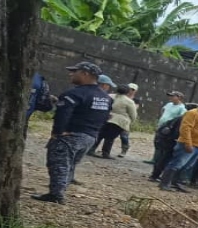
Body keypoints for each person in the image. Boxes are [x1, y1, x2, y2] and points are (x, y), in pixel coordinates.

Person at [32, 61, 112, 204]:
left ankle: (56, 195)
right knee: (70, 164)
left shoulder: (74, 94)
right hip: (90, 136)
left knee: (59, 164)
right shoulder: (105, 97)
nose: (71, 74)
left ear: (85, 74)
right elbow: (105, 117)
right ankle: (60, 190)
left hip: (71, 135)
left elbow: (63, 114)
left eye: (74, 71)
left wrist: (58, 133)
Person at [157, 97, 198, 192]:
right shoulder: (193, 113)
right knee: (177, 163)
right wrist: (188, 143)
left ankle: (175, 182)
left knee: (186, 165)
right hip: (189, 144)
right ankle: (165, 183)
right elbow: (185, 129)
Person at [88, 84, 137, 158]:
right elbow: (133, 114)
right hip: (119, 121)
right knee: (110, 137)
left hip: (106, 118)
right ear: (127, 92)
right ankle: (105, 153)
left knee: (100, 134)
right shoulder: (129, 101)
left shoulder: (109, 96)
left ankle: (91, 149)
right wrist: (131, 121)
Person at [145, 91, 187, 164]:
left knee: (163, 144)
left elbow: (181, 119)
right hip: (161, 125)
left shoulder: (181, 108)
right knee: (157, 142)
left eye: (173, 96)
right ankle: (155, 159)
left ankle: (159, 160)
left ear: (179, 98)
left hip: (169, 129)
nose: (171, 97)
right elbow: (163, 110)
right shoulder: (169, 104)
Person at [117, 83, 140, 157]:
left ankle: (124, 149)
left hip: (127, 120)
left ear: (135, 91)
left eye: (133, 89)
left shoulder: (135, 100)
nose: (131, 91)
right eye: (130, 89)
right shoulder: (120, 96)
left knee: (124, 136)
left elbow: (134, 110)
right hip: (117, 118)